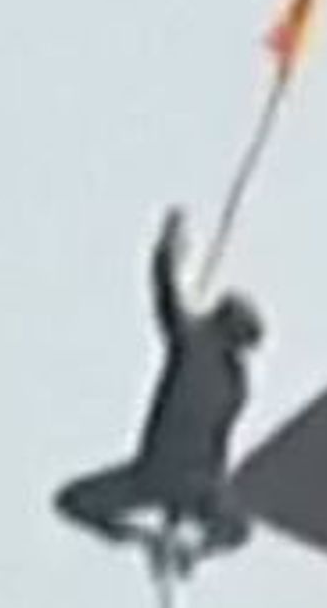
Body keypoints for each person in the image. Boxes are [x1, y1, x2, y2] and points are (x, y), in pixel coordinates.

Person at [54, 206, 264, 571]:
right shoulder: (230, 374)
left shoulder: (196, 344)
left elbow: (164, 290)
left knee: (73, 501)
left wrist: (168, 247)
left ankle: (166, 545)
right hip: (185, 479)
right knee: (237, 527)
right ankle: (179, 547)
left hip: (168, 476)